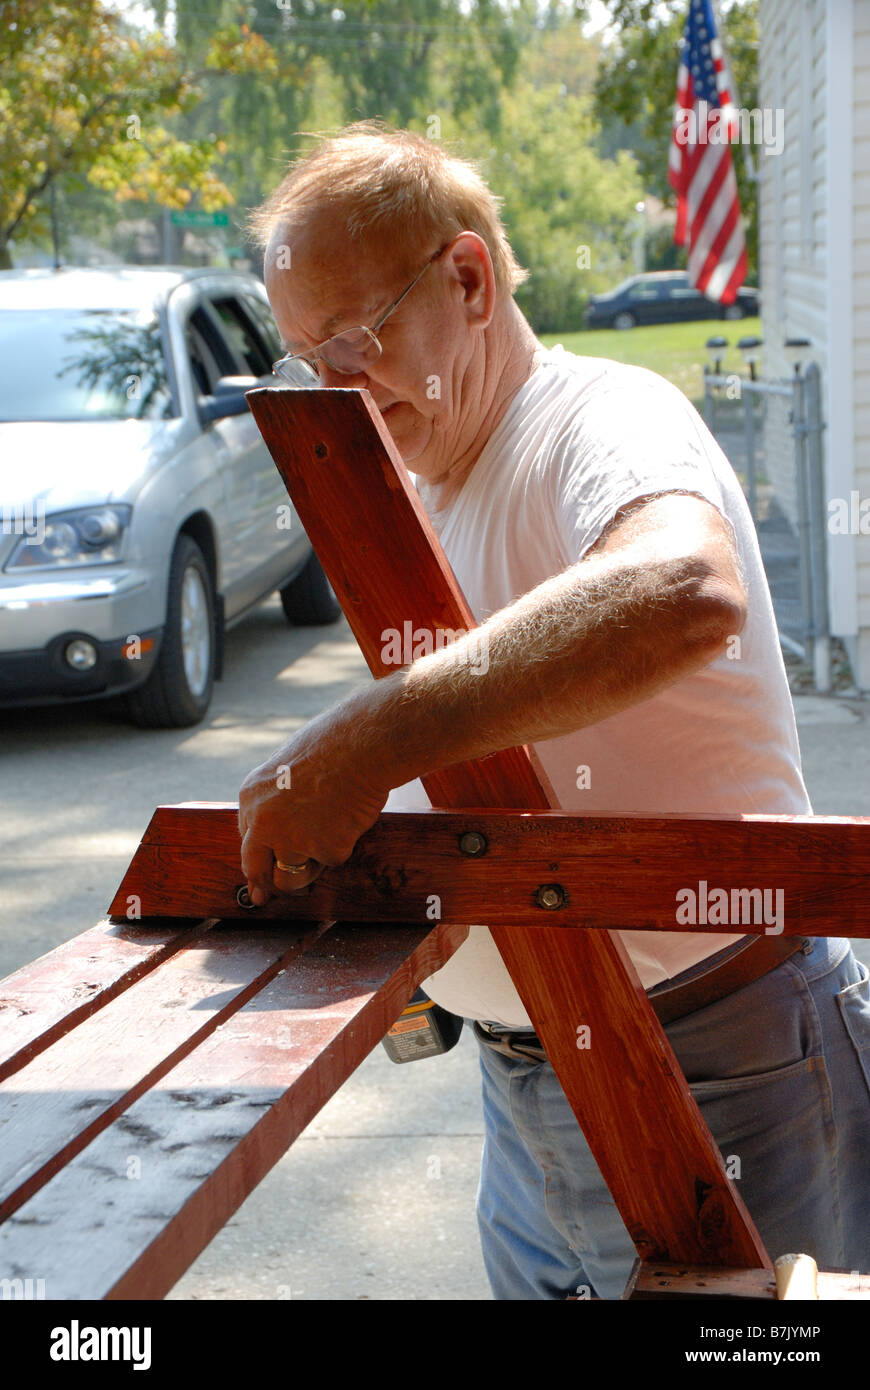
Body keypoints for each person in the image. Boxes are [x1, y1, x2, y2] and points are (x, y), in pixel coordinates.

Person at [240, 121, 870, 1299]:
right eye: (303, 358)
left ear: (468, 279)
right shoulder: (430, 481)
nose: (336, 388)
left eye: (356, 339)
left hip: (719, 1061)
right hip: (529, 1084)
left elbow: (683, 589)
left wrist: (367, 739)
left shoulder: (599, 416)